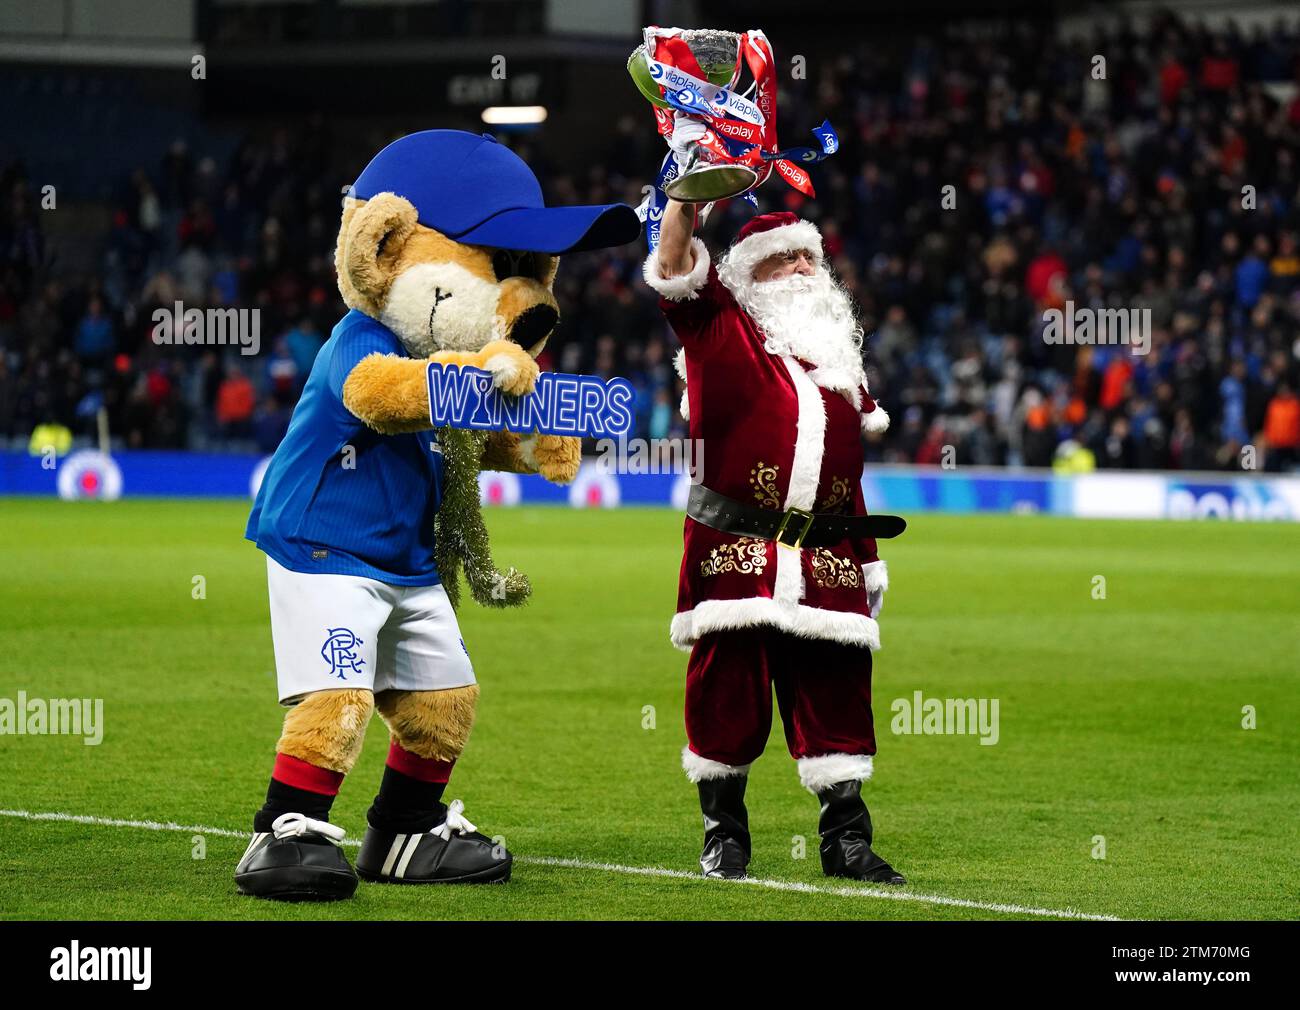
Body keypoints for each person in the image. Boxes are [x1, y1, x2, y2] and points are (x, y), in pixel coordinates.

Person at [642, 123, 905, 884]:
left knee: (837, 690)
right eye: (782, 257)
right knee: (727, 690)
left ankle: (846, 840)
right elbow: (675, 266)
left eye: (807, 256)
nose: (799, 267)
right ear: (750, 272)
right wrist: (690, 187)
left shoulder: (840, 365)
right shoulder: (719, 328)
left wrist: (870, 564)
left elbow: (849, 480)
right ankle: (725, 834)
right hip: (736, 546)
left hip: (829, 551)